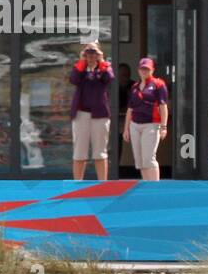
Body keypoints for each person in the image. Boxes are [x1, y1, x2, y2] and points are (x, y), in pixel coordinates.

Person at [69, 42, 115, 182]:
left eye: (93, 52)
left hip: (99, 115)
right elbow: (74, 79)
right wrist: (83, 60)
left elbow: (110, 78)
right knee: (79, 151)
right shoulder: (80, 68)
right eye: (88, 52)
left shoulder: (103, 68)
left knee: (100, 152)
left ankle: (102, 183)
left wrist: (101, 60)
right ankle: (77, 184)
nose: (91, 55)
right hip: (81, 113)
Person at [121, 58, 169, 182]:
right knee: (140, 160)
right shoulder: (135, 87)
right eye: (142, 69)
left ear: (152, 70)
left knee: (149, 158)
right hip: (135, 125)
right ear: (138, 70)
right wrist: (126, 129)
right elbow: (130, 109)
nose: (144, 71)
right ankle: (147, 185)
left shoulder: (158, 84)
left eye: (147, 69)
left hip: (151, 125)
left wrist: (164, 127)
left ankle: (155, 186)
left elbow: (163, 106)